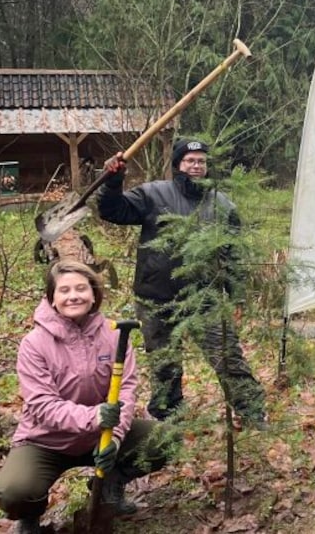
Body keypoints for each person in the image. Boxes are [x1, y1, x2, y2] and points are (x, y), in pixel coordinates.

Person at [0, 261, 176, 534]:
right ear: (52, 299)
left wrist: (114, 439)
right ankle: (30, 517)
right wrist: (94, 417)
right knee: (13, 491)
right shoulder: (34, 344)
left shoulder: (116, 335)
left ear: (94, 294)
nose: (73, 296)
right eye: (64, 290)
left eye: (81, 288)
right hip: (47, 441)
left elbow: (126, 391)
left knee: (166, 439)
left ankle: (110, 485)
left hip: (102, 434)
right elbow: (43, 406)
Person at [97, 138, 267, 426]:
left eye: (201, 161)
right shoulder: (153, 194)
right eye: (190, 161)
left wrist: (236, 295)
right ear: (177, 165)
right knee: (164, 364)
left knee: (228, 357)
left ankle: (251, 413)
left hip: (206, 299)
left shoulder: (223, 205)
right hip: (156, 298)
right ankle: (168, 417)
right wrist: (113, 181)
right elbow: (113, 211)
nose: (197, 166)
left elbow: (233, 255)